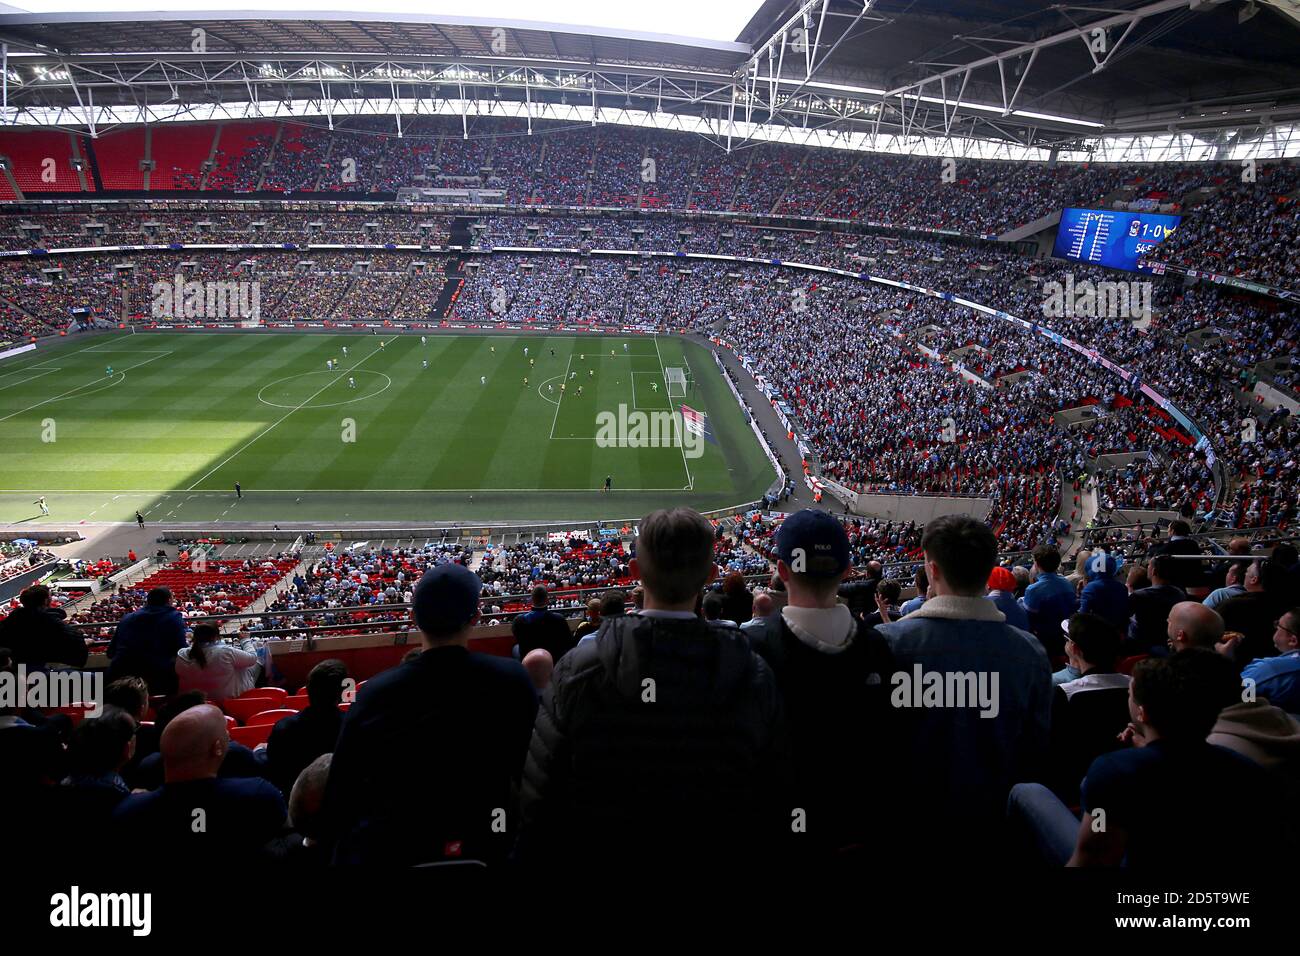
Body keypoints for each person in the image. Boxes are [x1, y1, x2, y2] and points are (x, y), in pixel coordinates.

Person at [520, 507, 787, 868]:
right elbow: (772, 798)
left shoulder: (576, 671)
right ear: (711, 576)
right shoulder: (753, 675)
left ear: (635, 572)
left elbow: (540, 804)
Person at [324, 563, 537, 865]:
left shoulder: (375, 694)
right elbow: (528, 768)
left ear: (414, 619)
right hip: (491, 838)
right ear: (476, 617)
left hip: (396, 849)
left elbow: (342, 792)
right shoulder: (512, 680)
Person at [878, 514, 1052, 858]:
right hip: (994, 835)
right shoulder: (1030, 653)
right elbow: (1035, 753)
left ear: (933, 570)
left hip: (905, 833)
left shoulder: (884, 645)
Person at [746, 508, 896, 855]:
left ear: (781, 571)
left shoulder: (750, 650)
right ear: (846, 571)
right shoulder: (880, 649)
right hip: (858, 830)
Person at [112, 705, 287, 865]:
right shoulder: (258, 795)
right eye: (226, 733)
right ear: (217, 748)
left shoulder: (127, 812)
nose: (228, 736)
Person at [265, 660, 347, 796]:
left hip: (293, 802)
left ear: (308, 689)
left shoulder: (283, 728)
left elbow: (275, 774)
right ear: (342, 694)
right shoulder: (352, 727)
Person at [107, 587, 188, 695]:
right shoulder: (173, 617)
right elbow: (181, 650)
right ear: (169, 601)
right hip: (156, 677)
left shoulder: (127, 618)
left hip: (118, 674)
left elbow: (111, 652)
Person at [0, 583, 88, 669]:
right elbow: (74, 643)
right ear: (46, 601)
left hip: (17, 666)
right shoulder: (49, 619)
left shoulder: (14, 618)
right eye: (50, 596)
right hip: (38, 669)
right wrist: (85, 642)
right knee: (95, 679)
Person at [175, 623, 263, 702]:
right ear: (215, 637)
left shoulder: (181, 654)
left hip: (193, 703)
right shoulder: (225, 652)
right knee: (257, 662)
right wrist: (245, 640)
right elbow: (253, 658)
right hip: (228, 701)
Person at [1235, 607, 1300, 713]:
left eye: (1278, 626)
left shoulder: (1270, 670)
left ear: (1292, 640)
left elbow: (1234, 701)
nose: (1275, 628)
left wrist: (1223, 660)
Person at [1020, 544, 1077, 657]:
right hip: (1063, 636)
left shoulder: (1033, 590)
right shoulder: (1066, 583)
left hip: (1044, 641)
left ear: (1036, 564)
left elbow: (1028, 620)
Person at [1125, 554, 1187, 654]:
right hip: (1166, 642)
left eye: (1149, 565)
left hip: (1140, 645)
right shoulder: (1179, 593)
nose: (1147, 567)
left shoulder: (1139, 596)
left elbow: (1122, 616)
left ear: (1153, 571)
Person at [512, 586, 574, 663]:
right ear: (547, 600)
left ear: (532, 599)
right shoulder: (559, 619)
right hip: (553, 659)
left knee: (515, 647)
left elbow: (518, 639)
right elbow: (568, 641)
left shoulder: (519, 620)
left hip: (529, 658)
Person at [1078, 552, 1128, 631]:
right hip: (1116, 632)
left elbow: (1082, 616)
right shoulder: (1123, 587)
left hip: (1098, 632)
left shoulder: (1091, 588)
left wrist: (1081, 593)